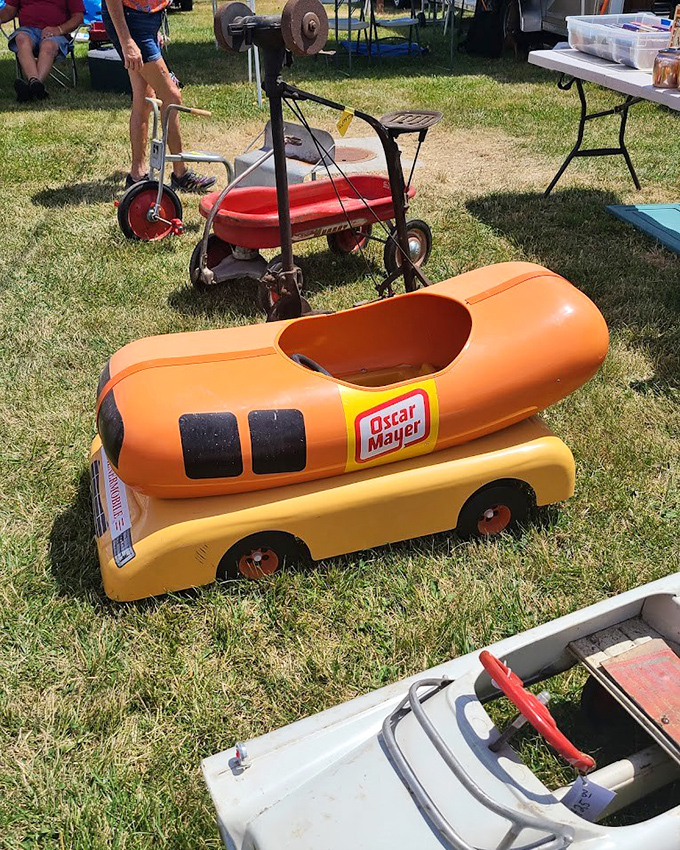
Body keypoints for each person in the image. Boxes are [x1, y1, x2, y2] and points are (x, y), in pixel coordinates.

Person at [101, 0, 215, 191]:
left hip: (145, 20)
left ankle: (137, 174)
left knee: (144, 97)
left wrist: (153, 29)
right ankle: (181, 174)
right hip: (131, 22)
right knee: (171, 97)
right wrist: (127, 41)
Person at [1, 0, 84, 101]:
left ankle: (33, 85)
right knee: (21, 39)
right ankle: (36, 86)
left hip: (57, 32)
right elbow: (9, 10)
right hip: (28, 30)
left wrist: (59, 29)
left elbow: (78, 17)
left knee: (48, 45)